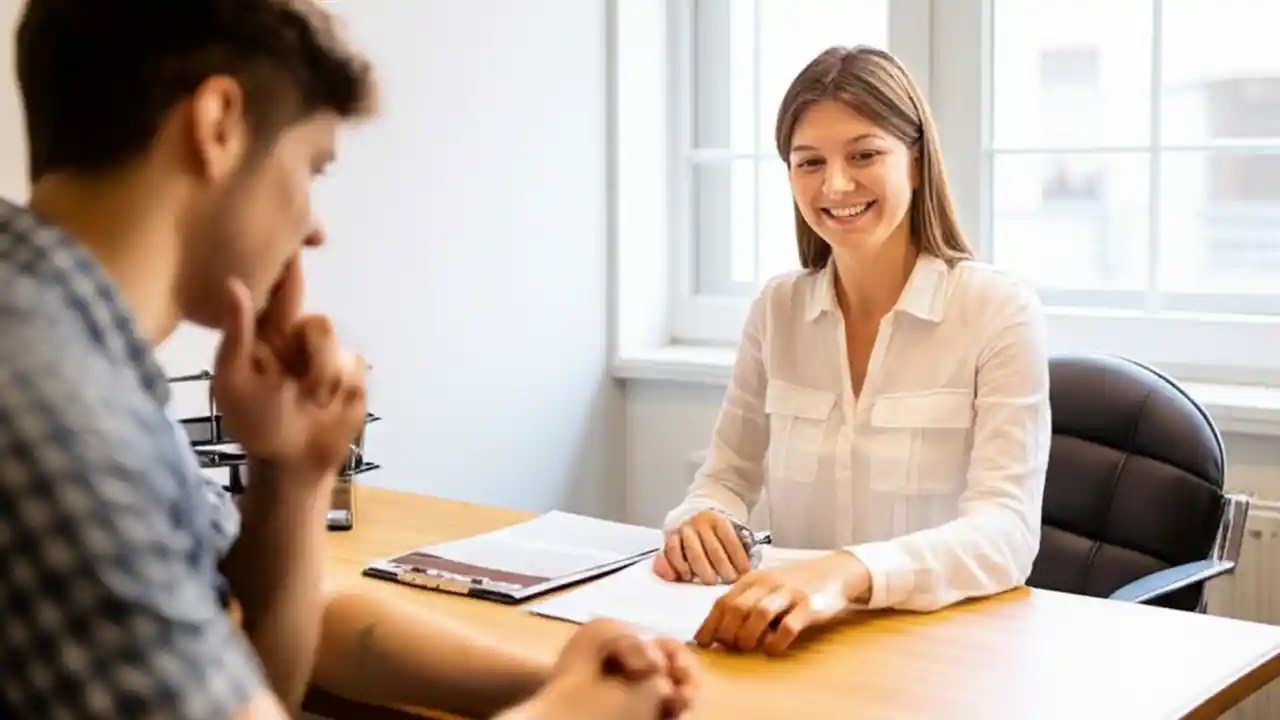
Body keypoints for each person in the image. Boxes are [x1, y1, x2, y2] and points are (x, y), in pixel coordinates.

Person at [0, 1, 696, 719]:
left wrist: (294, 476)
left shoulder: (68, 353)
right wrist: (583, 711)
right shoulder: (61, 417)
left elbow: (246, 665)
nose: (314, 226)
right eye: (312, 168)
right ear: (217, 127)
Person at [653, 45, 1051, 654]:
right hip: (793, 644)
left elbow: (1006, 534)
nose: (834, 184)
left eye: (864, 154)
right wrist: (699, 520)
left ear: (915, 163)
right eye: (808, 162)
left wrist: (845, 573)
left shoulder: (997, 310)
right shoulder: (777, 310)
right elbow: (724, 479)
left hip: (944, 649)